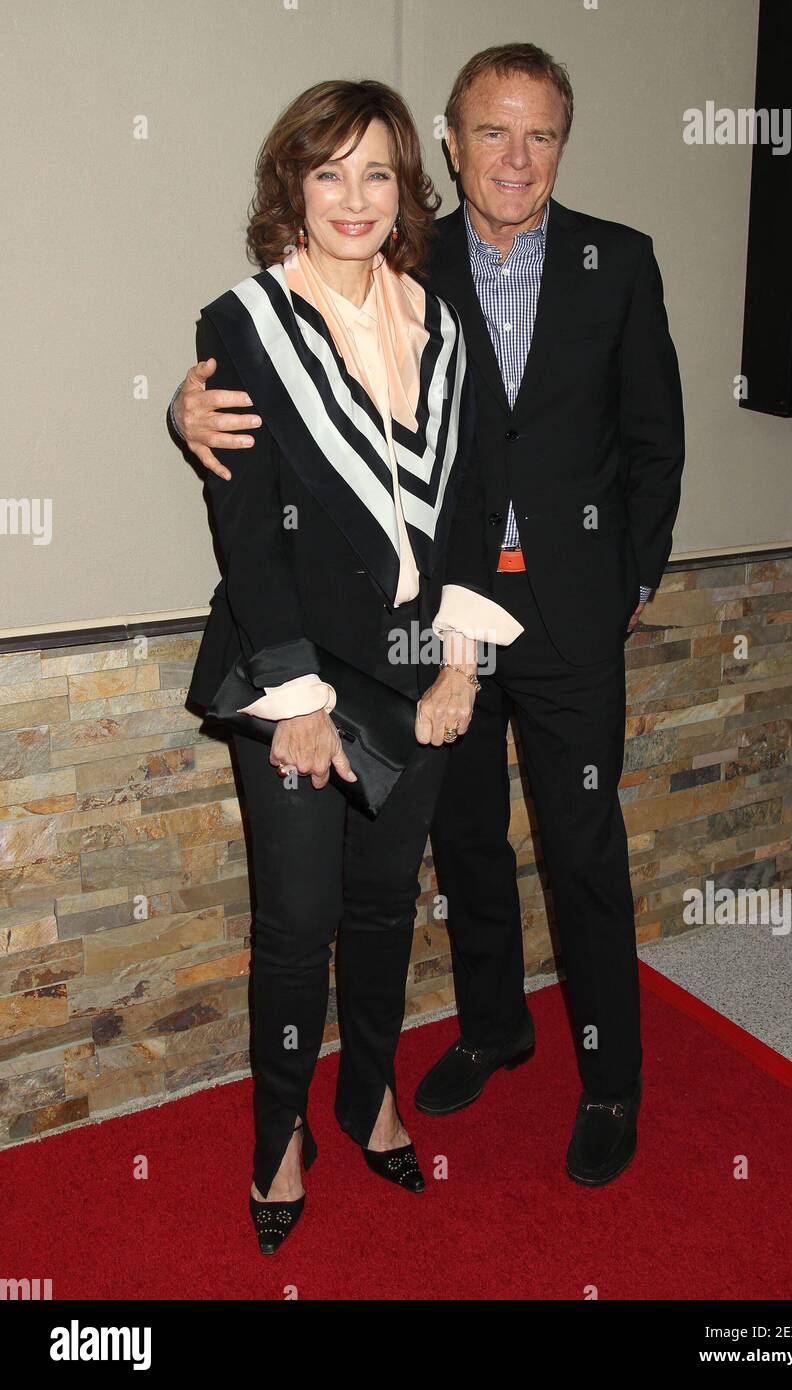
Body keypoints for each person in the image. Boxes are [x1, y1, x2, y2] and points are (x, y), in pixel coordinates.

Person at [170, 43, 685, 1189]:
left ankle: (607, 1080)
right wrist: (186, 404)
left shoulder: (616, 262)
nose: (514, 156)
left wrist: (632, 580)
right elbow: (280, 363)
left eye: (539, 133)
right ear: (449, 146)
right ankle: (494, 1028)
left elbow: (655, 436)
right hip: (414, 633)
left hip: (558, 616)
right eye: (490, 132)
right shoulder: (412, 252)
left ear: (561, 143)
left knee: (581, 844)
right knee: (460, 846)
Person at [175, 78, 522, 1254]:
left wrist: (459, 666)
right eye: (329, 172)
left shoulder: (445, 322)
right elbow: (244, 528)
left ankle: (366, 1090)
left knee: (382, 909)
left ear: (404, 188)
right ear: (293, 188)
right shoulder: (243, 324)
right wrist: (300, 702)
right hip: (294, 676)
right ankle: (279, 1133)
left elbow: (474, 511)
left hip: (418, 665)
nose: (354, 197)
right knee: (300, 917)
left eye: (376, 171)